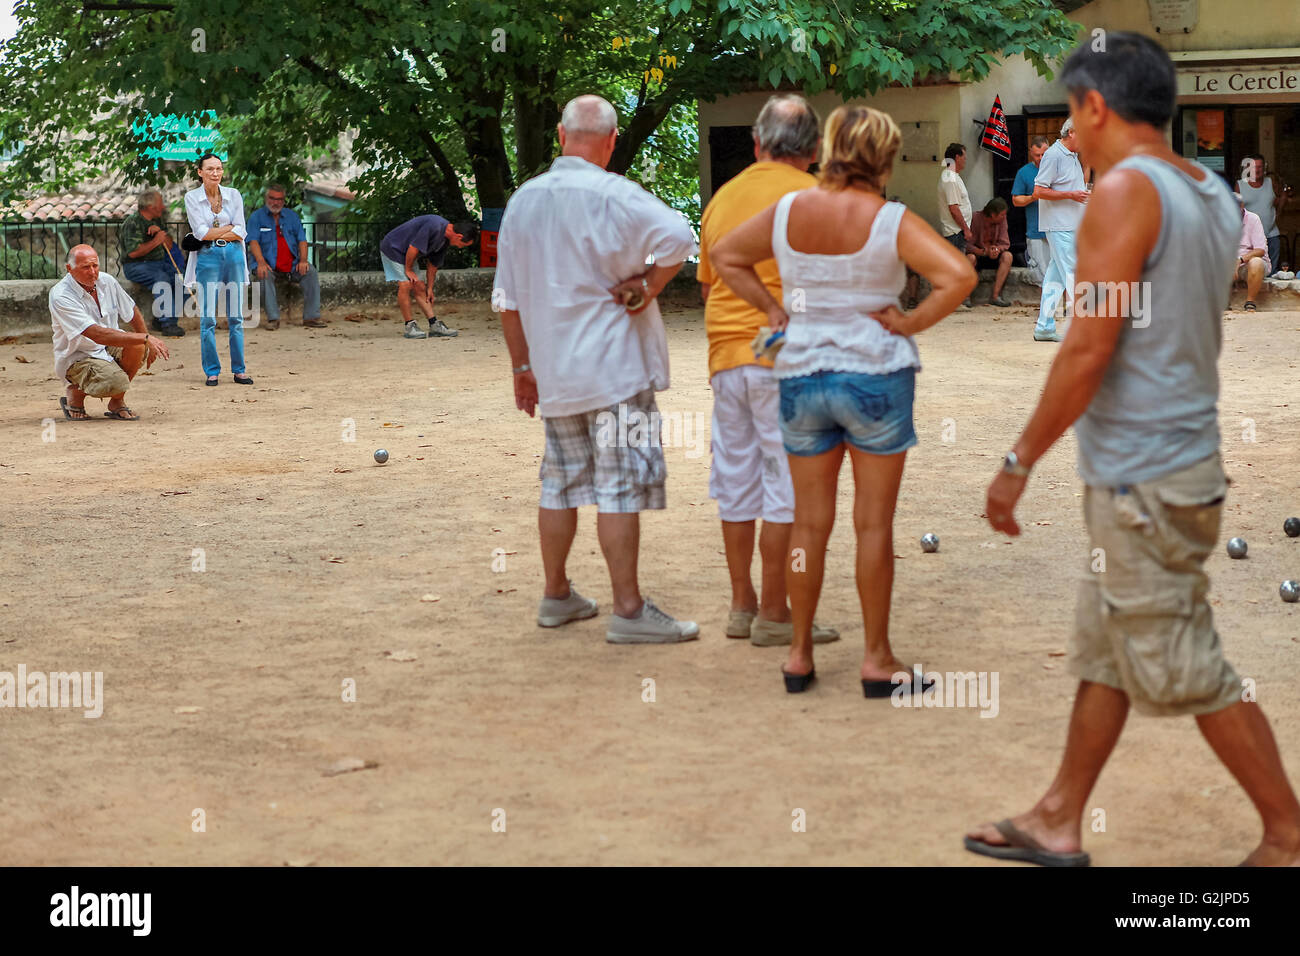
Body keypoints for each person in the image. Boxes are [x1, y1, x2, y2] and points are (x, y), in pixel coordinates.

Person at [965, 32, 1300, 868]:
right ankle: (1058, 816)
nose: (1070, 139)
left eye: (1073, 119)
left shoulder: (1125, 193)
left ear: (1095, 106)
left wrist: (1016, 463)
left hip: (1145, 476)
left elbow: (1088, 346)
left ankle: (1290, 835)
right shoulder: (1213, 191)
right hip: (1177, 459)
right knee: (1107, 649)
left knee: (1190, 664)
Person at [711, 105, 976, 694]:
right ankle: (876, 659)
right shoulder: (890, 219)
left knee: (809, 524)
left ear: (830, 149)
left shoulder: (787, 211)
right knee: (872, 526)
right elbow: (959, 275)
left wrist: (773, 310)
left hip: (802, 375)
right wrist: (908, 324)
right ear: (882, 157)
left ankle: (799, 653)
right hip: (876, 376)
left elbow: (725, 256)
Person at [495, 94, 700, 644]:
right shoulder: (618, 194)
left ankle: (557, 594)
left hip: (555, 370)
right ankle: (628, 611)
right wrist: (647, 286)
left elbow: (507, 300)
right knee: (618, 487)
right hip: (616, 371)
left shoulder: (525, 201)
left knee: (559, 483)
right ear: (611, 143)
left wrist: (522, 367)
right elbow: (681, 239)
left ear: (561, 137)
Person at [696, 93, 838, 648]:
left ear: (757, 145)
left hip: (728, 358)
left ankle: (741, 605)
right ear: (814, 149)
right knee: (789, 489)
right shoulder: (818, 197)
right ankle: (776, 612)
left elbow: (710, 286)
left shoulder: (722, 200)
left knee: (736, 481)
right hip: (790, 360)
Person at [50, 244, 170, 421]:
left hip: (108, 348)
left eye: (95, 266)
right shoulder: (60, 295)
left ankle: (117, 401)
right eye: (85, 267)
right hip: (78, 356)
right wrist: (146, 337)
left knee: (138, 345)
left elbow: (131, 310)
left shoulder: (107, 281)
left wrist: (145, 341)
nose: (92, 272)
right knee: (116, 380)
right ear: (69, 269)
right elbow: (96, 334)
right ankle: (76, 393)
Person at [184, 153, 252, 386]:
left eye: (219, 169)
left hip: (233, 253)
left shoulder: (233, 195)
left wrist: (227, 230)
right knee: (208, 317)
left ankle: (239, 370)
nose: (215, 173)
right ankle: (212, 370)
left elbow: (242, 230)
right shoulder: (192, 197)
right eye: (210, 169)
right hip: (208, 255)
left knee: (236, 316)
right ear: (200, 172)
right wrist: (228, 227)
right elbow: (201, 233)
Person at [1031, 118, 1088, 343]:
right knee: (1074, 274)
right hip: (1059, 225)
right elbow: (1038, 191)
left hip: (1069, 224)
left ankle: (1044, 327)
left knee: (1056, 278)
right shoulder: (1054, 155)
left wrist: (1078, 195)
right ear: (1072, 132)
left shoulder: (1071, 155)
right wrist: (1071, 195)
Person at [378, 215, 476, 338]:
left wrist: (430, 288)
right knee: (406, 283)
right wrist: (408, 270)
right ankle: (409, 326)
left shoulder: (445, 240)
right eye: (462, 245)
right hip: (393, 248)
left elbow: (432, 266)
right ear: (459, 236)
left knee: (419, 286)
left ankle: (434, 324)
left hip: (407, 254)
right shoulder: (434, 225)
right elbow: (413, 247)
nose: (459, 247)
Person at [246, 183, 324, 330]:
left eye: (279, 199)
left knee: (311, 272)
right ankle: (273, 319)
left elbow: (302, 240)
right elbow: (253, 241)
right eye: (272, 198)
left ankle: (311, 317)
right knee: (264, 275)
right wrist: (261, 262)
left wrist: (302, 260)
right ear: (266, 198)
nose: (275, 202)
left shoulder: (292, 216)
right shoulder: (256, 217)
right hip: (268, 264)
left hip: (292, 264)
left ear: (284, 200)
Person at [118, 189, 186, 336]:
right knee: (161, 279)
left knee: (182, 279)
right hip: (136, 265)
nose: (163, 207)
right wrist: (156, 241)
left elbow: (167, 245)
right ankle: (169, 324)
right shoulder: (132, 223)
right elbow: (133, 252)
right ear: (151, 206)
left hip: (158, 263)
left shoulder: (158, 220)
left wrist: (159, 234)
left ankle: (159, 319)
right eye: (160, 203)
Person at [937, 142, 974, 309]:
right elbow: (954, 208)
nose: (966, 160)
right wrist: (965, 228)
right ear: (957, 157)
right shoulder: (950, 178)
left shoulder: (952, 176)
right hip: (955, 230)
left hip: (956, 230)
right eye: (964, 156)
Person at [1238, 154, 1288, 274]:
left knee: (1271, 273)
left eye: (1260, 167)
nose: (1257, 170)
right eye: (1254, 167)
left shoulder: (1271, 182)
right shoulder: (1240, 184)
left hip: (1271, 235)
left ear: (1264, 168)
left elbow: (1283, 194)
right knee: (1251, 271)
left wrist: (1279, 213)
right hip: (1250, 241)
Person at [1012, 136, 1051, 285]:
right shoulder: (1024, 172)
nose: (1041, 158)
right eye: (1037, 155)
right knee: (1041, 275)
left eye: (1044, 154)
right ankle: (1047, 307)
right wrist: (1033, 198)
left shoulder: (1059, 168)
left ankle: (1065, 306)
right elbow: (1016, 200)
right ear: (1030, 153)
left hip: (1057, 228)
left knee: (1062, 272)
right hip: (1036, 231)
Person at [967, 197, 1013, 307]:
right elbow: (967, 244)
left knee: (1008, 256)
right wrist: (981, 251)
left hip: (994, 255)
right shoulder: (975, 219)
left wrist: (997, 249)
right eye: (1002, 214)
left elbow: (1005, 243)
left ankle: (995, 296)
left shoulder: (1002, 221)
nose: (1004, 217)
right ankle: (965, 296)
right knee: (970, 258)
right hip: (978, 254)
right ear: (993, 214)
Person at [1235, 192, 1270, 311]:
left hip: (1249, 264)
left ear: (1241, 206)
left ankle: (1250, 301)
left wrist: (1239, 260)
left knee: (1256, 262)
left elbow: (1260, 250)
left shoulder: (1253, 218)